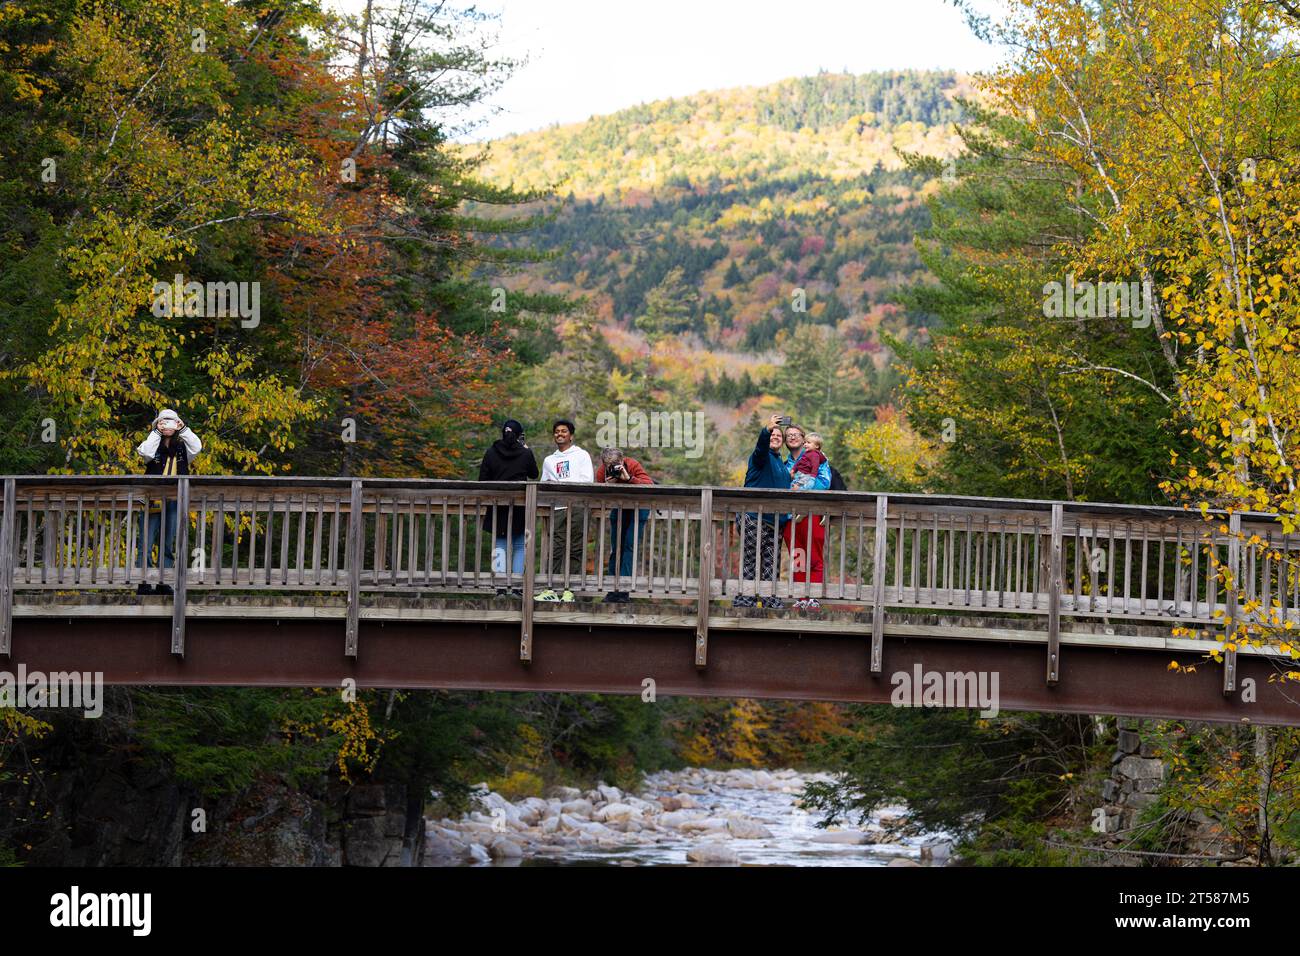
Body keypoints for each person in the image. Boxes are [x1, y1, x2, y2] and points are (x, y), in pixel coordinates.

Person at [135, 408, 202, 596]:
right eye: (164, 421)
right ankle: (144, 582)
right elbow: (145, 452)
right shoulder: (153, 445)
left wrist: (184, 429)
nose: (168, 425)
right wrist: (156, 432)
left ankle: (164, 581)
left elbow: (197, 447)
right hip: (151, 500)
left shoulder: (182, 448)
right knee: (145, 544)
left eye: (172, 421)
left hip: (174, 501)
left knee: (168, 543)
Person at [733, 413, 791, 608]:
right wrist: (767, 429)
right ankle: (745, 599)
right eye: (773, 435)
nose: (775, 438)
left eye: (779, 437)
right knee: (750, 560)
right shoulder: (761, 457)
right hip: (752, 517)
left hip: (775, 523)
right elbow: (760, 446)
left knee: (771, 564)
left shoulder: (781, 465)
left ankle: (769, 599)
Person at [478, 419, 539, 595]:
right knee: (519, 545)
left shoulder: (491, 452)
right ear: (520, 435)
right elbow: (534, 474)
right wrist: (526, 449)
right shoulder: (525, 454)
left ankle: (500, 587)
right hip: (519, 506)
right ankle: (517, 586)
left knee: (500, 545)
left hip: (497, 505)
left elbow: (482, 479)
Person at [540, 419, 594, 597]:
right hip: (558, 507)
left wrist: (562, 484)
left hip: (578, 506)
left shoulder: (581, 455)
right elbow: (544, 483)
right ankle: (550, 589)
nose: (560, 434)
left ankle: (571, 590)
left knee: (576, 548)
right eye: (557, 431)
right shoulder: (549, 460)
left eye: (564, 431)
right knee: (556, 547)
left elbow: (587, 480)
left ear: (571, 435)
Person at [594, 447, 653, 602]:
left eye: (616, 464)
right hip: (619, 508)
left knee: (629, 547)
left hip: (639, 508)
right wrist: (607, 486)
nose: (613, 467)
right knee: (616, 549)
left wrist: (629, 479)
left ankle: (624, 591)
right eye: (609, 465)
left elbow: (650, 485)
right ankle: (612, 590)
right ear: (604, 464)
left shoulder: (632, 464)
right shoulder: (602, 472)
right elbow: (597, 494)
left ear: (622, 460)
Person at [781, 424, 829, 598]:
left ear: (804, 439)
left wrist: (801, 486)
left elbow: (824, 484)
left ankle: (813, 599)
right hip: (790, 517)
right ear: (785, 441)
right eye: (789, 436)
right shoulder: (784, 465)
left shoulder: (818, 458)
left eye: (796, 435)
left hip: (812, 514)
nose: (792, 438)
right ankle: (801, 600)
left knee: (815, 559)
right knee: (798, 561)